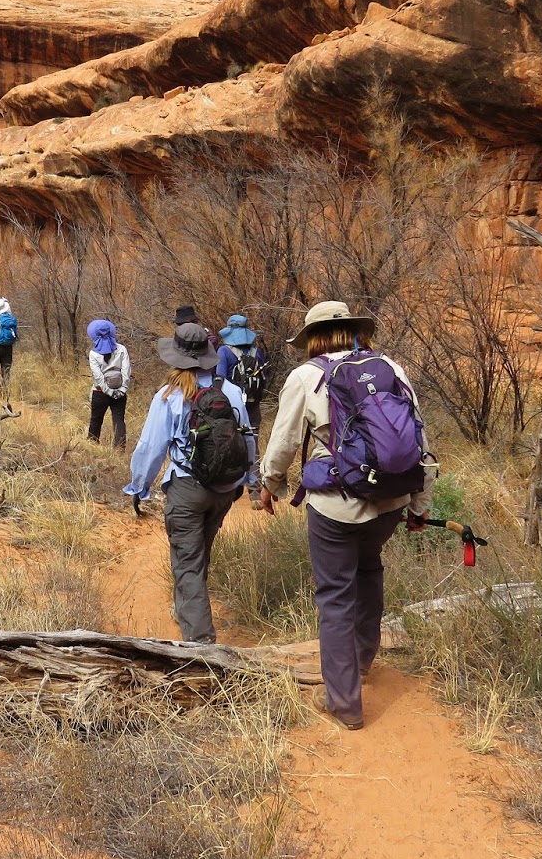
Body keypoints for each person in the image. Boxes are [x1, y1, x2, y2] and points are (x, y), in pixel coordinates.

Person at [258, 301, 434, 730]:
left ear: (313, 337)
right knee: (370, 571)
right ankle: (361, 664)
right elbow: (419, 436)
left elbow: (283, 441)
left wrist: (270, 483)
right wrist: (419, 504)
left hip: (336, 504)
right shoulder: (390, 366)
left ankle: (345, 705)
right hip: (390, 501)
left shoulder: (305, 376)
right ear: (356, 331)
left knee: (335, 595)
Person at [124, 322, 257, 645]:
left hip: (187, 488)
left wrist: (138, 487)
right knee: (199, 556)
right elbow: (248, 439)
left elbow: (151, 448)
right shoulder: (231, 392)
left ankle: (200, 644)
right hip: (224, 490)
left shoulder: (169, 396)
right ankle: (187, 610)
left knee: (188, 563)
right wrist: (248, 478)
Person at [216, 313, 269, 431]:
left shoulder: (224, 351)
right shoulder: (257, 352)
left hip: (231, 406)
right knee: (252, 439)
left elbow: (220, 380)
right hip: (253, 404)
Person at [86, 318, 130, 448]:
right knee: (119, 421)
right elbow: (126, 371)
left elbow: (98, 377)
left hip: (99, 393)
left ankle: (92, 447)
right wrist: (123, 389)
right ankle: (120, 451)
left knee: (96, 420)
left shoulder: (93, 353)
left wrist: (107, 391)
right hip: (120, 392)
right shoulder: (122, 349)